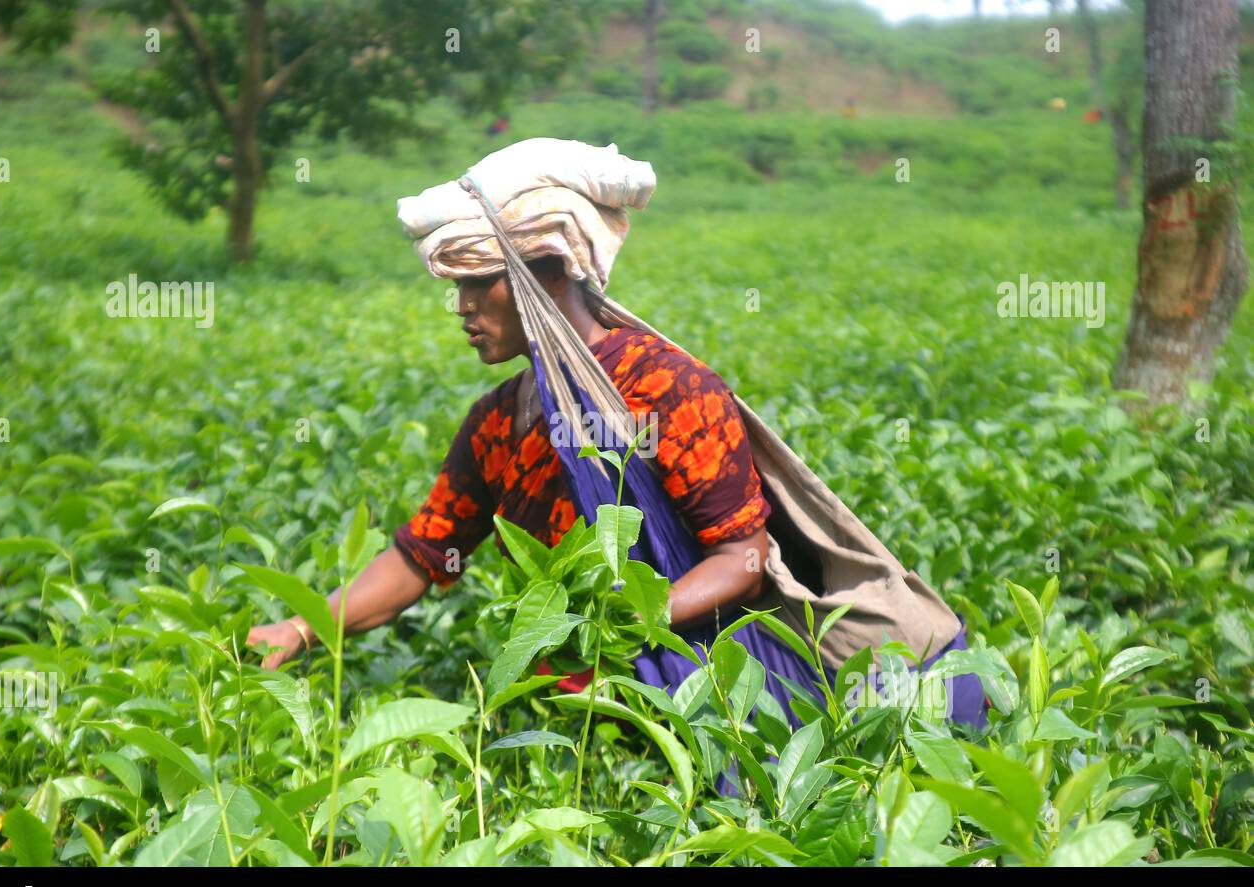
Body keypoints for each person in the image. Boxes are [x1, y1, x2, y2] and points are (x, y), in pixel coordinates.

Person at [247, 138, 987, 732]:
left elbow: (744, 559)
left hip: (713, 689)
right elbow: (424, 553)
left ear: (547, 271)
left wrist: (623, 623)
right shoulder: (499, 423)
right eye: (456, 289)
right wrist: (301, 629)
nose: (464, 308)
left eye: (481, 283)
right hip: (584, 695)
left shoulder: (667, 388)